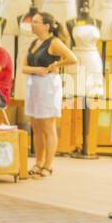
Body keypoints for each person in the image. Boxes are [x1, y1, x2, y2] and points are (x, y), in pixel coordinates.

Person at [18, 11, 76, 178]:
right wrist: (38, 70)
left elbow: (72, 58)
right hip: (34, 84)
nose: (32, 24)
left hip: (48, 85)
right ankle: (38, 162)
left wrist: (55, 64)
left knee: (47, 125)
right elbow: (23, 67)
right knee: (35, 126)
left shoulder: (54, 43)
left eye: (36, 22)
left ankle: (48, 165)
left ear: (46, 26)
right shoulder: (34, 43)